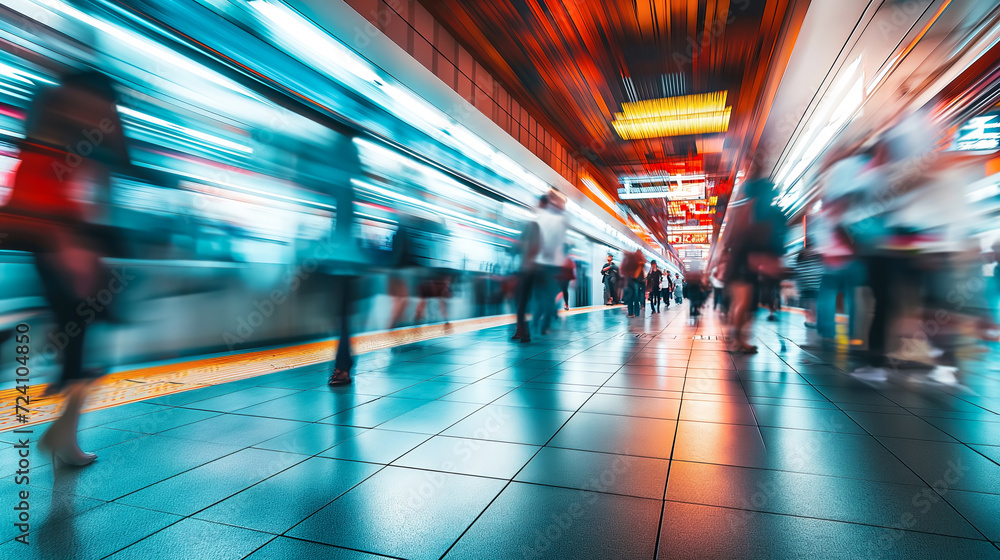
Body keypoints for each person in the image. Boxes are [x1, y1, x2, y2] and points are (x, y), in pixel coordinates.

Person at [4, 69, 131, 466]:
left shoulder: (60, 116)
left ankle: (64, 438)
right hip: (58, 239)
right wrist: (66, 244)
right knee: (83, 340)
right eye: (108, 106)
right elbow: (41, 187)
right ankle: (63, 438)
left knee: (81, 341)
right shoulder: (64, 115)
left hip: (64, 237)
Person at [722, 165, 787, 353]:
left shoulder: (745, 206)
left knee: (741, 301)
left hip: (741, 255)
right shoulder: (753, 207)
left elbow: (732, 233)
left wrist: (726, 252)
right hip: (746, 255)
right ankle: (738, 341)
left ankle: (738, 340)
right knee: (744, 300)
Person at [324, 133, 367, 386]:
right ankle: (343, 365)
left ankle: (343, 367)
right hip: (344, 265)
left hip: (342, 265)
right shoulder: (346, 189)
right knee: (341, 319)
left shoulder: (341, 190)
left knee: (341, 319)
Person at [533, 192, 567, 335]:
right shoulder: (556, 221)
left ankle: (535, 321)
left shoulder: (538, 218)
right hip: (551, 267)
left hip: (538, 265)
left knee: (541, 296)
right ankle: (543, 325)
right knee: (549, 297)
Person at [620, 249, 646, 318]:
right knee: (635, 297)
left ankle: (631, 313)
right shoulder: (641, 263)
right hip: (636, 282)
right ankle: (635, 313)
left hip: (632, 281)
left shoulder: (637, 262)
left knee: (631, 298)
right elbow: (643, 274)